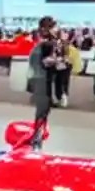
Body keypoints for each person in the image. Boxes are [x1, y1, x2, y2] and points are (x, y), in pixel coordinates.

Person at [27, 17, 60, 149]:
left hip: (41, 78)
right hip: (42, 79)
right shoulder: (45, 45)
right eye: (52, 27)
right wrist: (55, 61)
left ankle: (38, 134)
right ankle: (36, 136)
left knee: (44, 109)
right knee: (43, 109)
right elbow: (43, 62)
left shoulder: (41, 44)